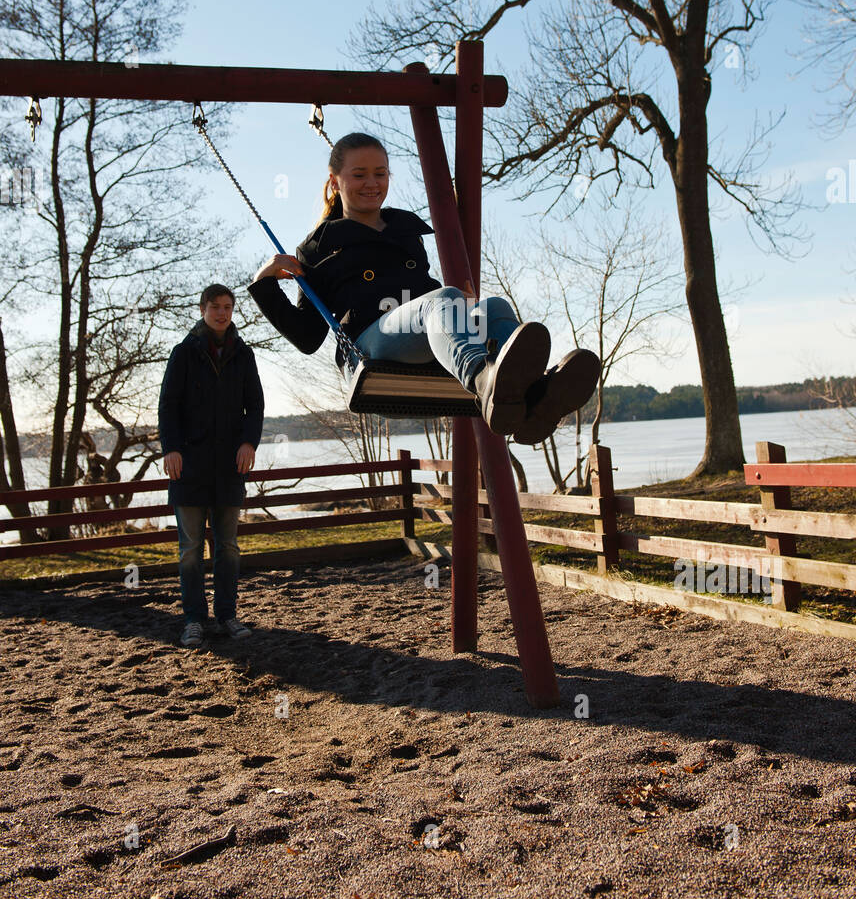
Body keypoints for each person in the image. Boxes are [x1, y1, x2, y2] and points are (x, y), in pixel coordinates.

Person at [247, 134, 599, 442]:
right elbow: (307, 337)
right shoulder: (319, 246)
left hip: (423, 332)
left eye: (380, 173)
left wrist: (458, 307)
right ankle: (482, 380)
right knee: (444, 299)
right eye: (359, 174)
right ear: (335, 181)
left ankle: (534, 400)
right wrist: (265, 283)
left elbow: (421, 291)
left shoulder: (406, 231)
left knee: (495, 308)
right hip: (371, 344)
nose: (372, 183)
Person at [158, 284, 265, 649]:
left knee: (228, 547)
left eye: (228, 307)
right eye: (216, 307)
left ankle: (227, 615)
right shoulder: (184, 353)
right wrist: (170, 448)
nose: (222, 313)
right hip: (188, 466)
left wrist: (249, 442)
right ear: (202, 308)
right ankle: (192, 620)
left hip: (229, 467)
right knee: (190, 549)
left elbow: (256, 406)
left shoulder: (244, 354)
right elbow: (168, 406)